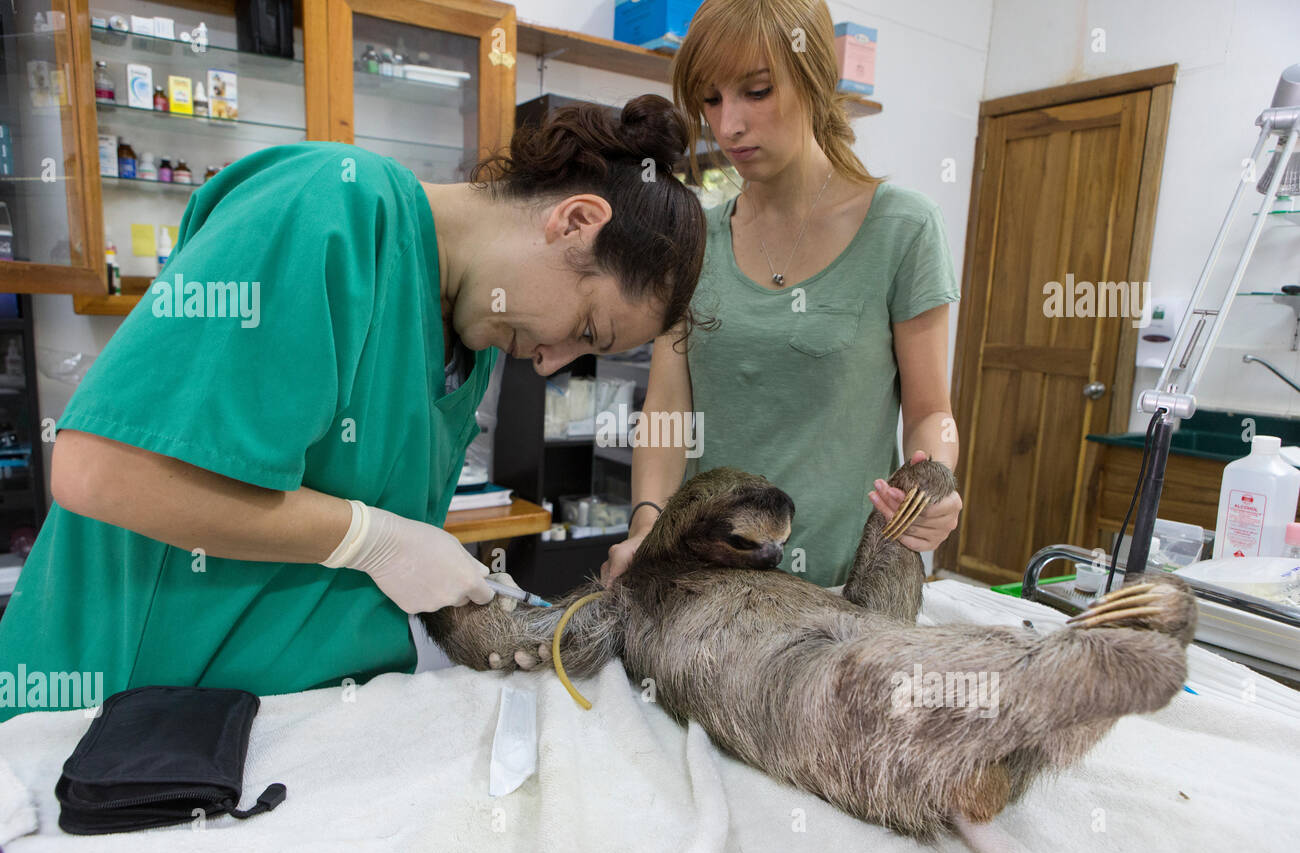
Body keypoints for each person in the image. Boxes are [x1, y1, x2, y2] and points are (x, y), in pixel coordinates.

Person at [0, 95, 705, 721]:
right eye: (586, 329)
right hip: (135, 714)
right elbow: (101, 471)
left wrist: (457, 585)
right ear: (575, 221)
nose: (551, 361)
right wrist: (375, 540)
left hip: (305, 725)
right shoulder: (330, 207)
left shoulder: (472, 338)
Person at [603, 0, 964, 589]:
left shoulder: (902, 228)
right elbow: (668, 410)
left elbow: (931, 414)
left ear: (816, 79)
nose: (728, 126)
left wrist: (936, 488)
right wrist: (647, 526)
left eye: (758, 91)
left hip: (845, 590)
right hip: (707, 587)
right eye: (711, 100)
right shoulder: (695, 239)